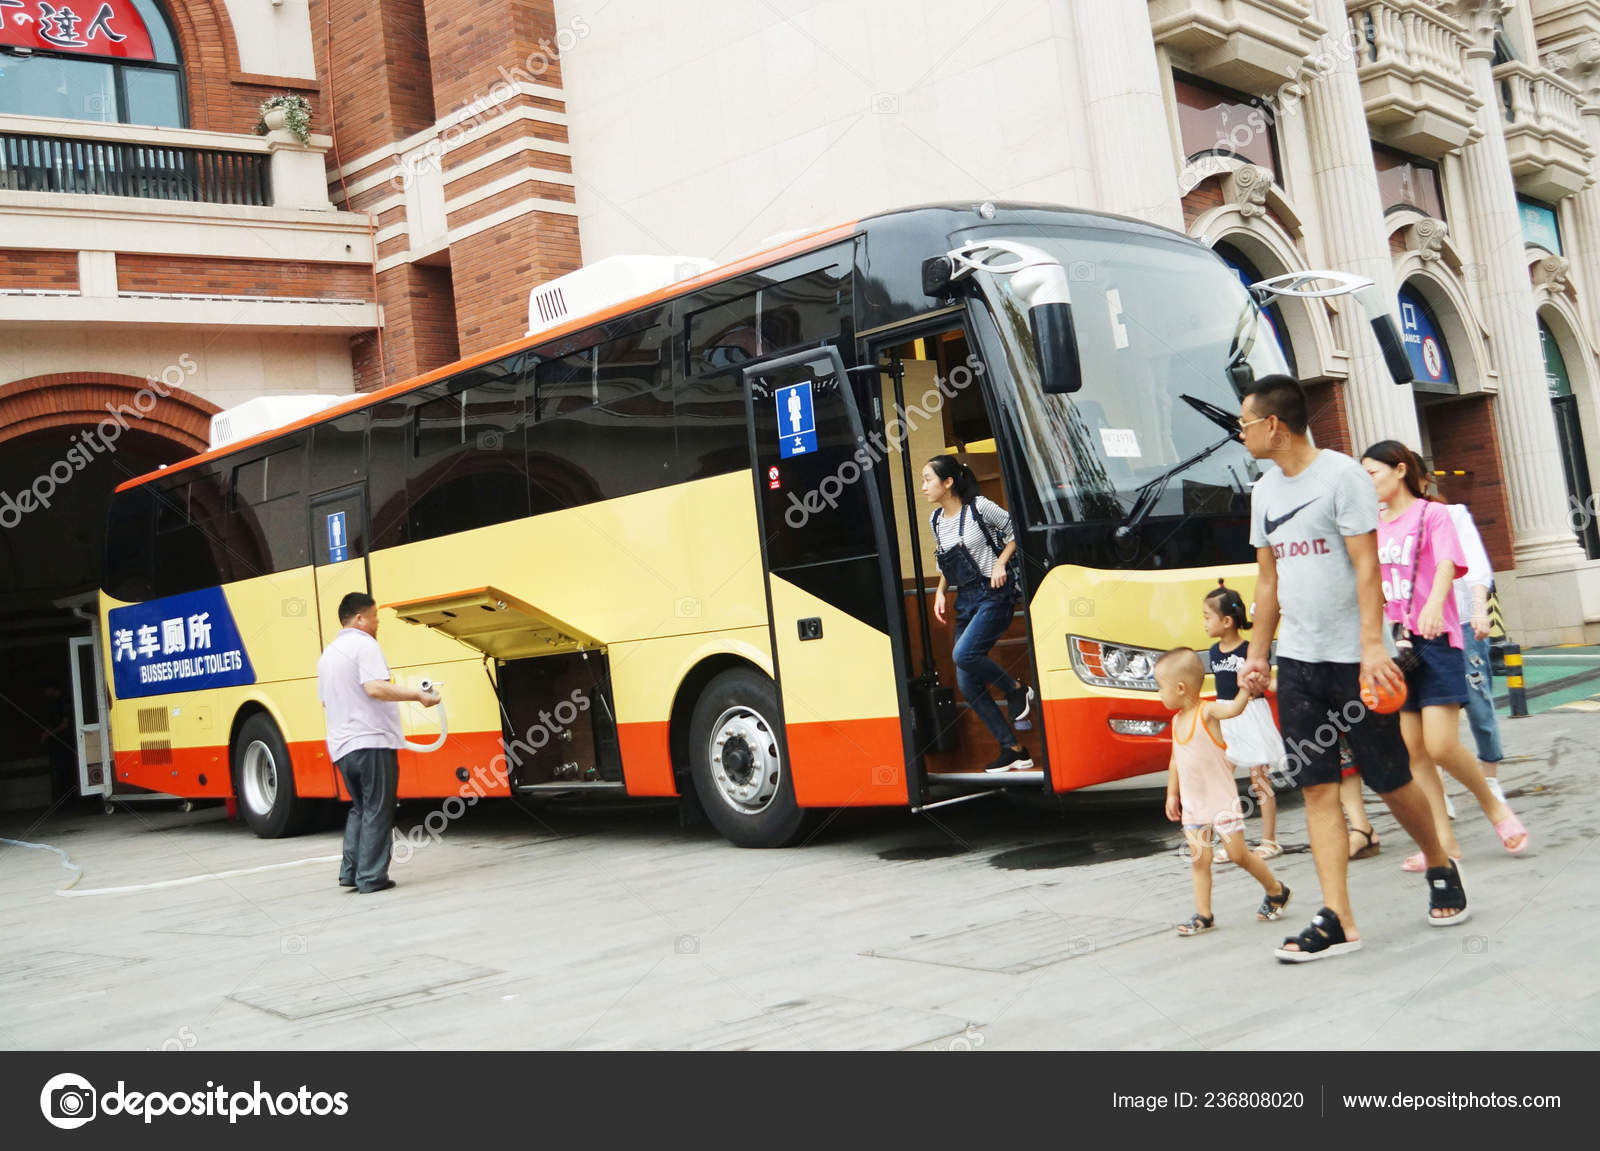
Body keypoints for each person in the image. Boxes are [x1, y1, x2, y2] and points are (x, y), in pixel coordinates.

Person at [1237, 375, 1468, 963]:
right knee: (1317, 789)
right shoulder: (1263, 492)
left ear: (1275, 427)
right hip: (1299, 662)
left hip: (1354, 661)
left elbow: (1367, 569)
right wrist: (1258, 655)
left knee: (1389, 780)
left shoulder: (1342, 477)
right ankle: (1338, 918)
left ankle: (1439, 864)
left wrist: (1372, 648)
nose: (1241, 433)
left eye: (1245, 423)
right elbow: (1267, 581)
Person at [1359, 441, 1527, 868]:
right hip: (1400, 647)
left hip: (1437, 640)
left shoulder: (1434, 514)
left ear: (1399, 470)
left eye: (1373, 473)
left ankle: (1494, 806)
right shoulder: (1371, 524)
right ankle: (1443, 844)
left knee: (1440, 744)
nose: (1368, 483)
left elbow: (1450, 563)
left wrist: (1435, 603)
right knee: (1413, 750)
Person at [1157, 647, 1291, 935]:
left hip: (1221, 801)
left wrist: (1245, 690)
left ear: (1180, 688)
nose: (1159, 694)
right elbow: (1174, 761)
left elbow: (1233, 709)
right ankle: (1204, 915)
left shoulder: (1208, 712)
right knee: (1199, 860)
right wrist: (1172, 794)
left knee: (1238, 854)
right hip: (1194, 805)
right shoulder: (1176, 721)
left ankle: (1276, 889)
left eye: (1160, 687)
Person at [316, 592, 439, 893]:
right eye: (374, 617)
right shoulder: (364, 645)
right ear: (359, 619)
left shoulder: (328, 655)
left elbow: (325, 702)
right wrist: (418, 696)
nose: (377, 623)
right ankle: (371, 877)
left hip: (342, 746)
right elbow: (374, 688)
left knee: (361, 807)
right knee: (378, 808)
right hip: (370, 741)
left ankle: (351, 872)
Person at [923, 455, 1034, 773]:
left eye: (928, 479)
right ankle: (1014, 749)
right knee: (968, 683)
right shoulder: (935, 521)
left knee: (963, 654)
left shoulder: (979, 507)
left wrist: (1000, 562)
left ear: (948, 483)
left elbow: (1016, 532)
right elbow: (945, 562)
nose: (923, 486)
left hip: (995, 596)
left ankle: (1016, 689)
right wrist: (941, 591)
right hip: (966, 600)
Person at [1202, 582, 1286, 859]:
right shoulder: (1213, 652)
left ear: (1227, 621)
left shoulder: (1251, 650)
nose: (1203, 623)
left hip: (1251, 715)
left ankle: (1269, 840)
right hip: (1227, 717)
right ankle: (1232, 841)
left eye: (1207, 616)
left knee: (1259, 778)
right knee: (1222, 778)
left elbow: (1266, 684)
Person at [1446, 501, 1507, 804]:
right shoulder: (1382, 519)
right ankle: (1437, 791)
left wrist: (1479, 609)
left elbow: (1475, 565)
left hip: (1462, 622)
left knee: (1477, 699)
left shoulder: (1450, 515)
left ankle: (1490, 776)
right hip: (1417, 631)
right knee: (1423, 711)